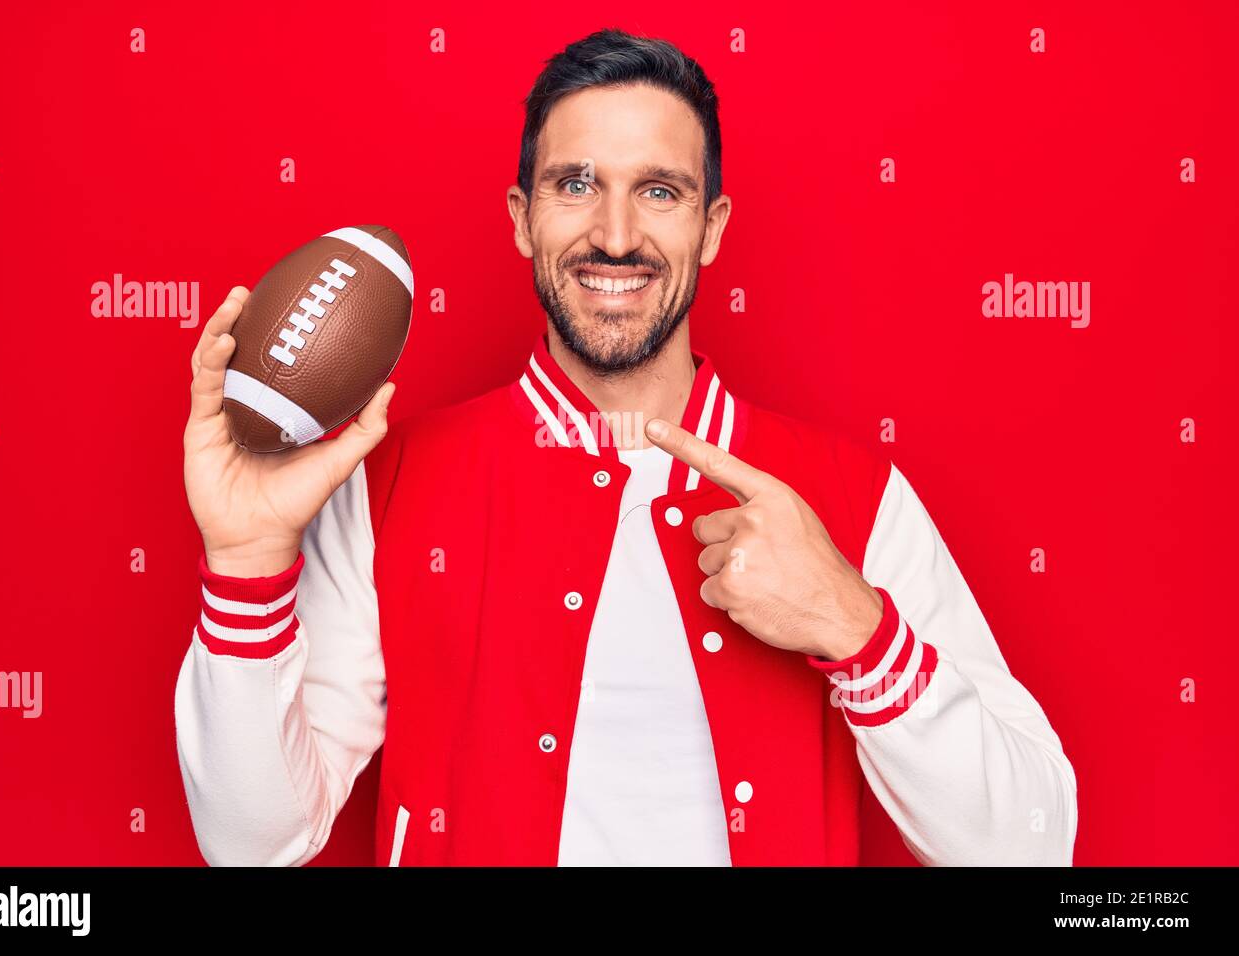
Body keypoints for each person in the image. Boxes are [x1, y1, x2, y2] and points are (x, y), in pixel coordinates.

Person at [175, 28, 1077, 866]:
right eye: (576, 185)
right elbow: (253, 842)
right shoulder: (389, 485)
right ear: (523, 219)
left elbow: (1030, 845)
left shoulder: (857, 496)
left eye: (659, 191)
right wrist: (247, 560)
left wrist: (855, 628)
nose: (614, 236)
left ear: (712, 227)